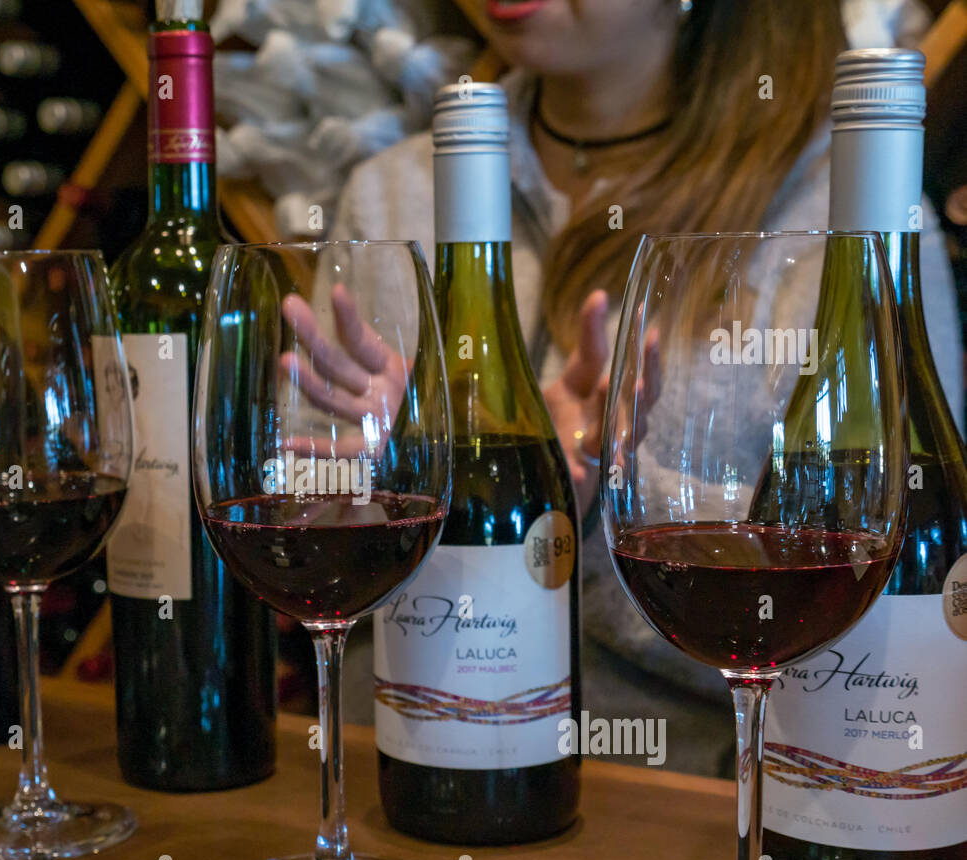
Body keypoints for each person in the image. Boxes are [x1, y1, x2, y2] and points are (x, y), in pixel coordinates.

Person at [324, 0, 966, 768]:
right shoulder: (392, 196)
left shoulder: (838, 202)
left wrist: (571, 498)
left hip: (685, 792)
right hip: (403, 766)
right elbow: (315, 598)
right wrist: (402, 489)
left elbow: (900, 599)